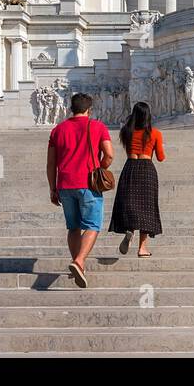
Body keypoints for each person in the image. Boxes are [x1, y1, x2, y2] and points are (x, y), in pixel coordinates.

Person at [47, 92, 114, 289]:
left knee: (73, 227)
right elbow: (109, 155)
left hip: (65, 184)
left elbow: (51, 163)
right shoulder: (98, 126)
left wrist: (53, 187)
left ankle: (79, 265)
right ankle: (79, 261)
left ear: (71, 108)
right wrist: (100, 169)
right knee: (92, 225)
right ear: (89, 109)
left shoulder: (58, 130)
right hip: (88, 183)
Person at [110, 101, 164, 259]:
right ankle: (142, 248)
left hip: (131, 168)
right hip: (147, 170)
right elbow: (160, 157)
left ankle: (129, 231)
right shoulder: (155, 133)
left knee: (130, 203)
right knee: (147, 209)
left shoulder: (126, 132)